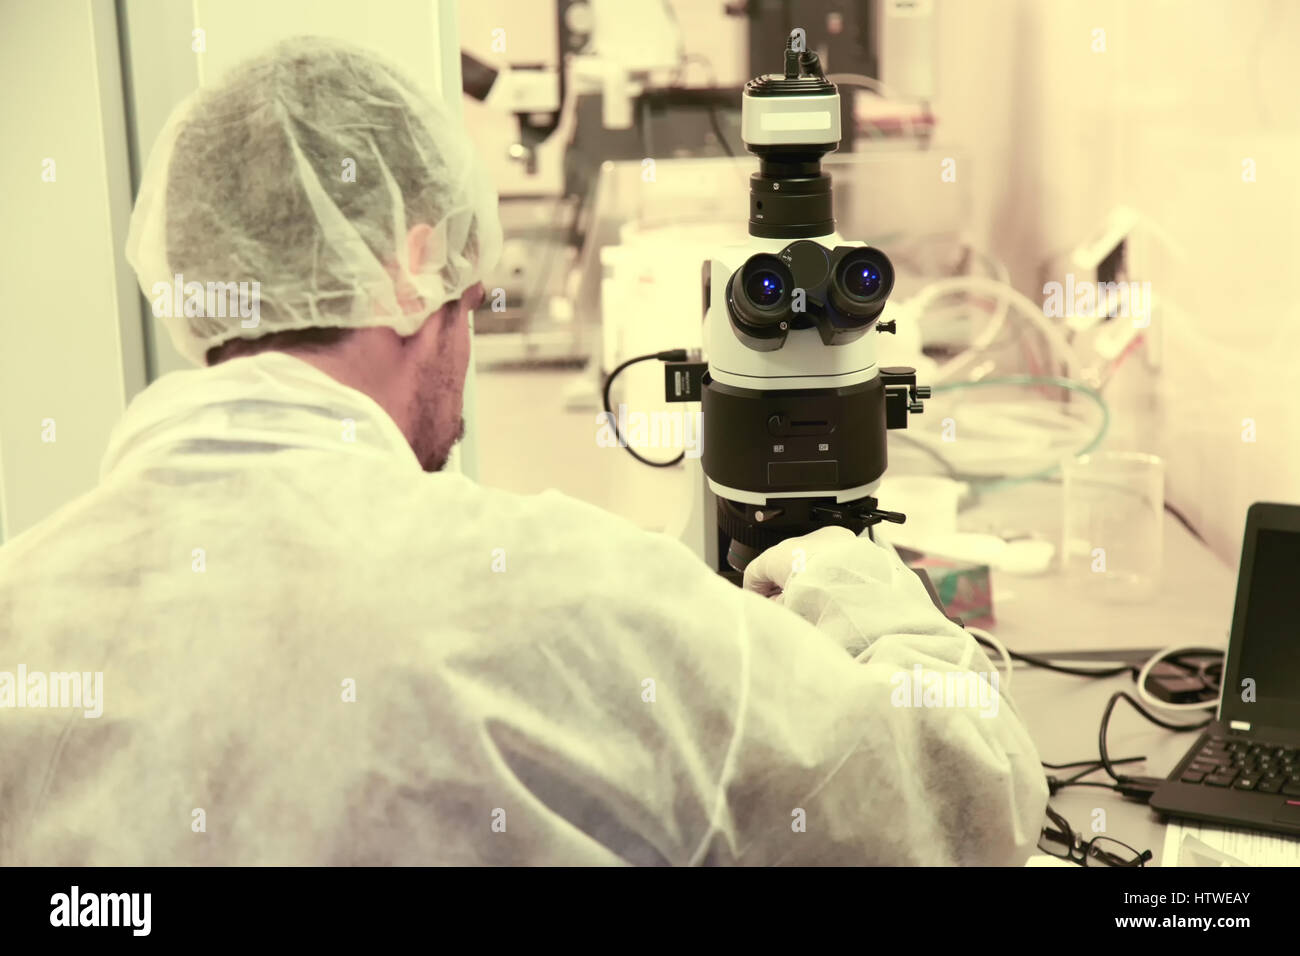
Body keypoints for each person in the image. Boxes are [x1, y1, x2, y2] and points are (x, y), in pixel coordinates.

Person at [0, 36, 1046, 865]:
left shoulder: (22, 597)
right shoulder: (565, 600)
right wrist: (848, 575)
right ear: (416, 263)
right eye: (470, 287)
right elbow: (968, 804)